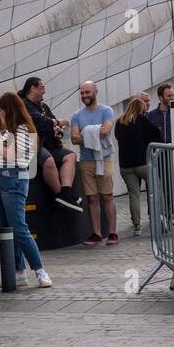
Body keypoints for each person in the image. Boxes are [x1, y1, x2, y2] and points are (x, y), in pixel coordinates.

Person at [0, 91, 51, 288]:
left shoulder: (23, 129)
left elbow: (12, 156)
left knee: (18, 226)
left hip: (13, 178)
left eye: (1, 109)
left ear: (8, 109)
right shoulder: (5, 130)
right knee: (5, 228)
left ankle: (40, 270)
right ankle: (17, 270)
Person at [20, 77, 81, 210]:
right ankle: (59, 194)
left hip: (51, 144)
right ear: (33, 88)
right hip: (33, 145)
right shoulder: (24, 105)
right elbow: (41, 122)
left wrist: (55, 126)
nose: (44, 91)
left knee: (71, 156)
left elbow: (51, 122)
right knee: (48, 160)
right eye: (42, 87)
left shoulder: (44, 107)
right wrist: (57, 123)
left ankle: (66, 193)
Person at [70, 81, 117, 245]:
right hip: (86, 161)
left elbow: (106, 130)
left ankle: (112, 232)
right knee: (92, 198)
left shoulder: (106, 111)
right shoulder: (76, 115)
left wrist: (86, 132)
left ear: (95, 92)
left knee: (107, 196)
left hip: (104, 159)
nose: (85, 96)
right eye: (82, 93)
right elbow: (74, 138)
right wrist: (94, 133)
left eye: (88, 92)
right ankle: (96, 233)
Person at [114, 95, 163, 236]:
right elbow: (157, 132)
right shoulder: (141, 119)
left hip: (126, 165)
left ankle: (137, 226)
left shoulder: (119, 122)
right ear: (141, 109)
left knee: (133, 195)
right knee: (155, 189)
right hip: (143, 162)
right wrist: (146, 141)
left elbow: (118, 138)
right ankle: (158, 216)